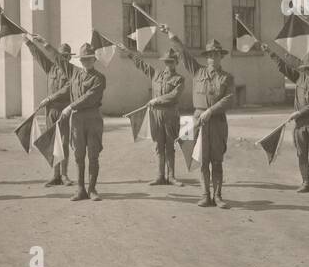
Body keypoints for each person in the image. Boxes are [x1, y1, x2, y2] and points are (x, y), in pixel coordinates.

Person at [161, 26, 235, 209]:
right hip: (198, 121)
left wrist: (211, 111)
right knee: (201, 159)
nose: (212, 58)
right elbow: (183, 52)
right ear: (206, 57)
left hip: (217, 122)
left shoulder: (227, 77)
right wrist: (172, 36)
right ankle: (205, 195)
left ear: (221, 57)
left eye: (216, 55)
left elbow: (230, 98)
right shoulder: (197, 71)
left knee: (216, 160)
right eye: (209, 55)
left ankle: (218, 196)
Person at [259, 42, 309, 194]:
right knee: (301, 154)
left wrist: (298, 113)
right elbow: (283, 67)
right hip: (299, 126)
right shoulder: (299, 79)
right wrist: (270, 52)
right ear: (304, 70)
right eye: (307, 68)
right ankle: (305, 182)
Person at [42, 43, 106, 201]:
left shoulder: (99, 78)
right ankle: (80, 189)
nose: (86, 62)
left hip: (92, 118)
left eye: (89, 59)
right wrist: (46, 44)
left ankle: (92, 189)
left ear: (94, 60)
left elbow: (90, 97)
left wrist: (70, 106)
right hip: (77, 119)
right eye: (83, 59)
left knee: (93, 154)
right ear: (80, 60)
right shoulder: (74, 73)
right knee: (78, 154)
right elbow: (58, 59)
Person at [117, 43, 185, 185]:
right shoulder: (156, 74)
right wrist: (128, 52)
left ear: (176, 62)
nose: (168, 64)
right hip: (156, 115)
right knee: (158, 145)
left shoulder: (179, 79)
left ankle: (171, 176)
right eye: (166, 62)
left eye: (171, 62)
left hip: (170, 115)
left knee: (170, 145)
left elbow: (175, 96)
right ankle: (160, 176)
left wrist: (157, 99)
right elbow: (141, 64)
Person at [26, 37, 75, 187]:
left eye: (66, 56)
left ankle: (65, 175)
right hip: (50, 112)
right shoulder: (51, 68)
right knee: (53, 142)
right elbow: (39, 56)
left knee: (64, 142)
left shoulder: (72, 71)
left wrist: (49, 98)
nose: (64, 58)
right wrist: (29, 43)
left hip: (63, 110)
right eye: (62, 56)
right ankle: (55, 175)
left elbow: (66, 90)